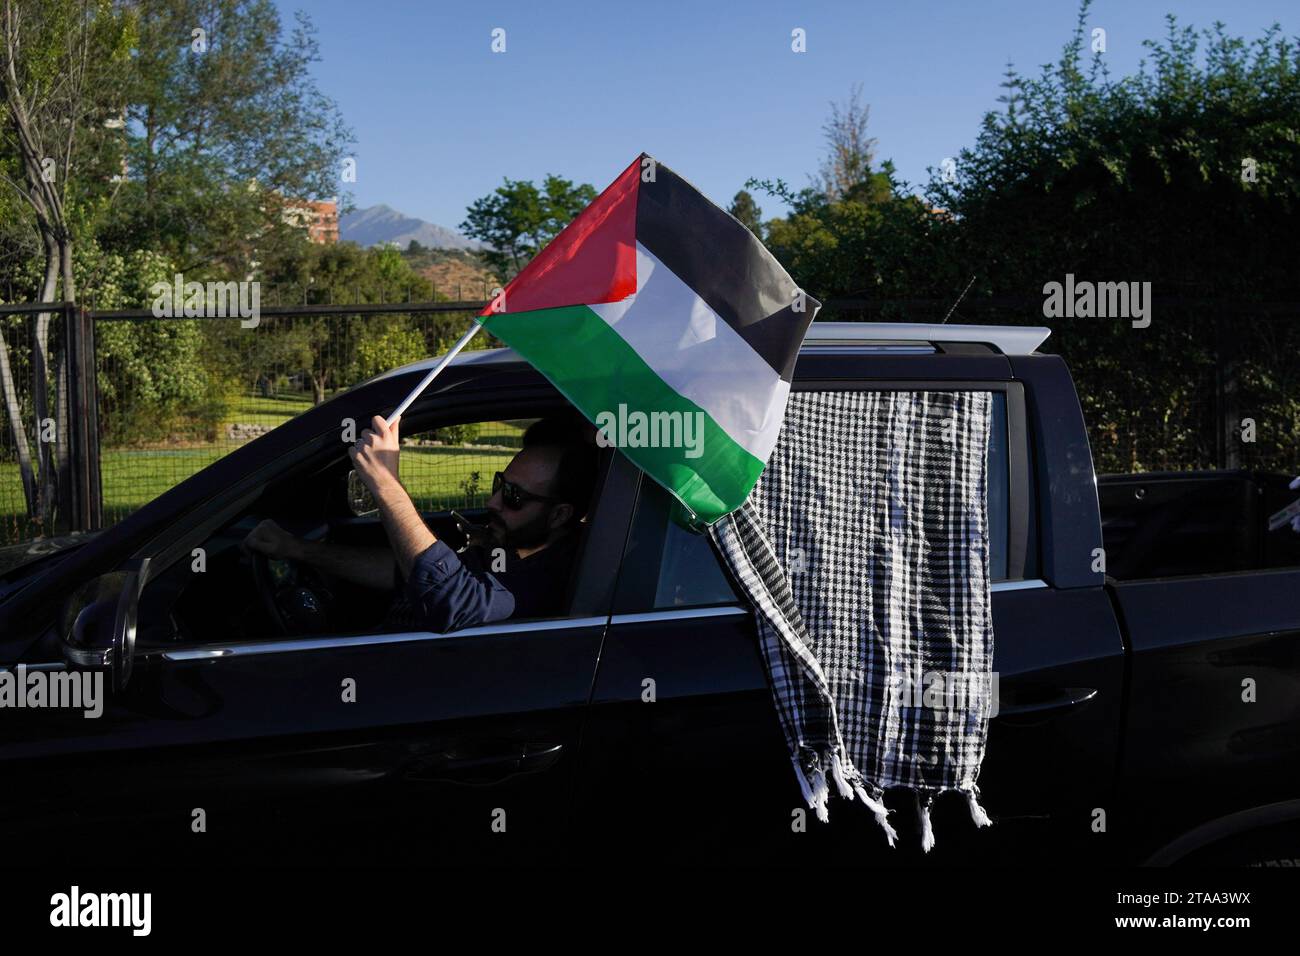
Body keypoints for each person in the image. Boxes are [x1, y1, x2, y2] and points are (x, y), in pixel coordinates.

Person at [242, 413, 598, 632]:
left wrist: (386, 486)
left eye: (513, 496)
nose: (493, 502)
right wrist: (297, 549)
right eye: (499, 485)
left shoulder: (556, 573)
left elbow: (454, 602)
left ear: (559, 515)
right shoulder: (507, 547)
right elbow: (408, 571)